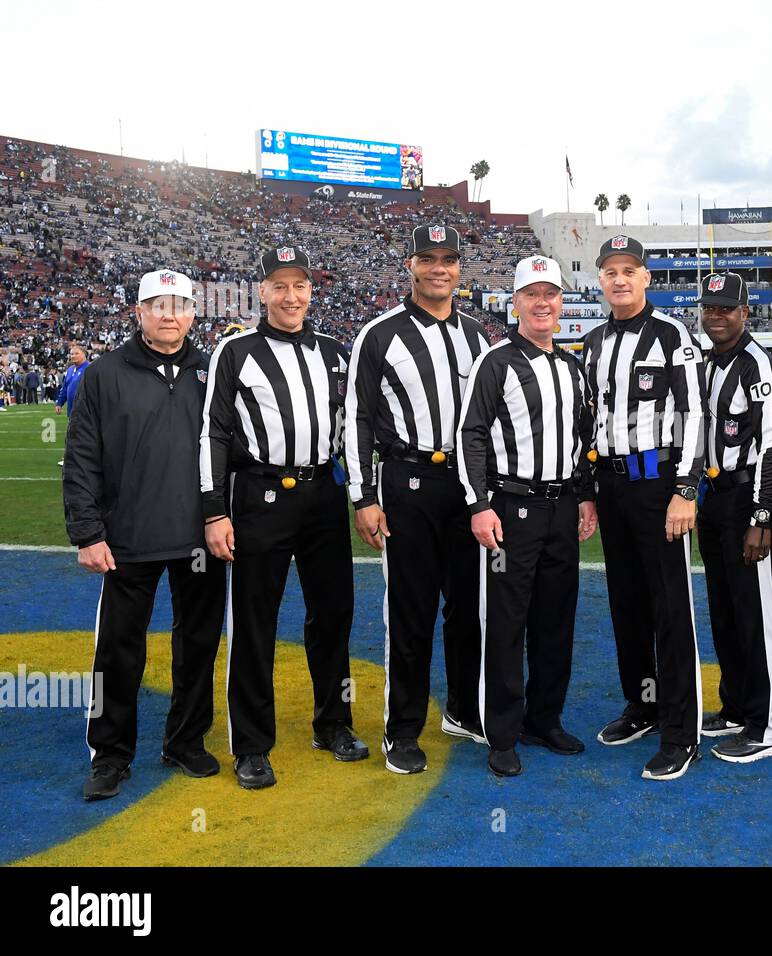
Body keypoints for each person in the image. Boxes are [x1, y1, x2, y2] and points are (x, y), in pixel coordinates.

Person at [200, 246, 367, 790]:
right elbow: (214, 433)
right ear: (263, 292)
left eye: (300, 286)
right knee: (254, 622)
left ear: (310, 291)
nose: (291, 296)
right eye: (280, 286)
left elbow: (354, 430)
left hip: (322, 495)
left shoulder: (335, 352)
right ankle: (251, 743)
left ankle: (333, 723)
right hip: (259, 496)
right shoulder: (235, 351)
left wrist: (363, 493)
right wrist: (214, 511)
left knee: (333, 614)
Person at [62, 269, 226, 801]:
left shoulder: (211, 370)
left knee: (198, 646)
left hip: (200, 538)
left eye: (179, 304)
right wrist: (87, 532)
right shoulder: (105, 374)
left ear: (193, 314)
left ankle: (186, 741)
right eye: (157, 305)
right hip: (128, 536)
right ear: (139, 313)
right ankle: (110, 754)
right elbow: (82, 457)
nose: (169, 314)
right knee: (118, 651)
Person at [343, 224, 489, 775]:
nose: (439, 269)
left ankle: (461, 707)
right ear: (410, 265)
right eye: (427, 258)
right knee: (411, 610)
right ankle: (401, 729)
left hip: (468, 487)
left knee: (469, 605)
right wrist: (362, 495)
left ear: (459, 268)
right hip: (407, 482)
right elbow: (355, 419)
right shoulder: (379, 335)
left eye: (449, 259)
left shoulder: (478, 335)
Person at [456, 255, 598, 777]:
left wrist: (585, 495)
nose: (543, 303)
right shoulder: (495, 362)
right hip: (511, 508)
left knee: (556, 620)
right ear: (515, 303)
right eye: (532, 294)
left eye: (551, 294)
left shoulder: (572, 366)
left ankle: (545, 719)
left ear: (563, 302)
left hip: (561, 506)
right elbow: (469, 435)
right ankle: (503, 730)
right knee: (507, 622)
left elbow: (584, 440)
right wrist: (479, 504)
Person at [580, 234, 707, 781]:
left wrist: (686, 489)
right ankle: (643, 705)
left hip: (659, 487)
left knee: (669, 610)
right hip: (611, 485)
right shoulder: (592, 343)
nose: (620, 279)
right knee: (626, 603)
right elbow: (587, 422)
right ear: (601, 280)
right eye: (610, 271)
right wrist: (587, 489)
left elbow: (695, 414)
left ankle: (682, 732)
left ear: (646, 277)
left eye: (630, 270)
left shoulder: (672, 335)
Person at [694, 272, 772, 763]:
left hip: (746, 497)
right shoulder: (706, 363)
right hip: (713, 498)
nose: (717, 315)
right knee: (726, 611)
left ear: (744, 312)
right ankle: (735, 707)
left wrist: (763, 515)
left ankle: (766, 724)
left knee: (757, 615)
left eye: (726, 308)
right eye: (710, 307)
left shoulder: (759, 363)